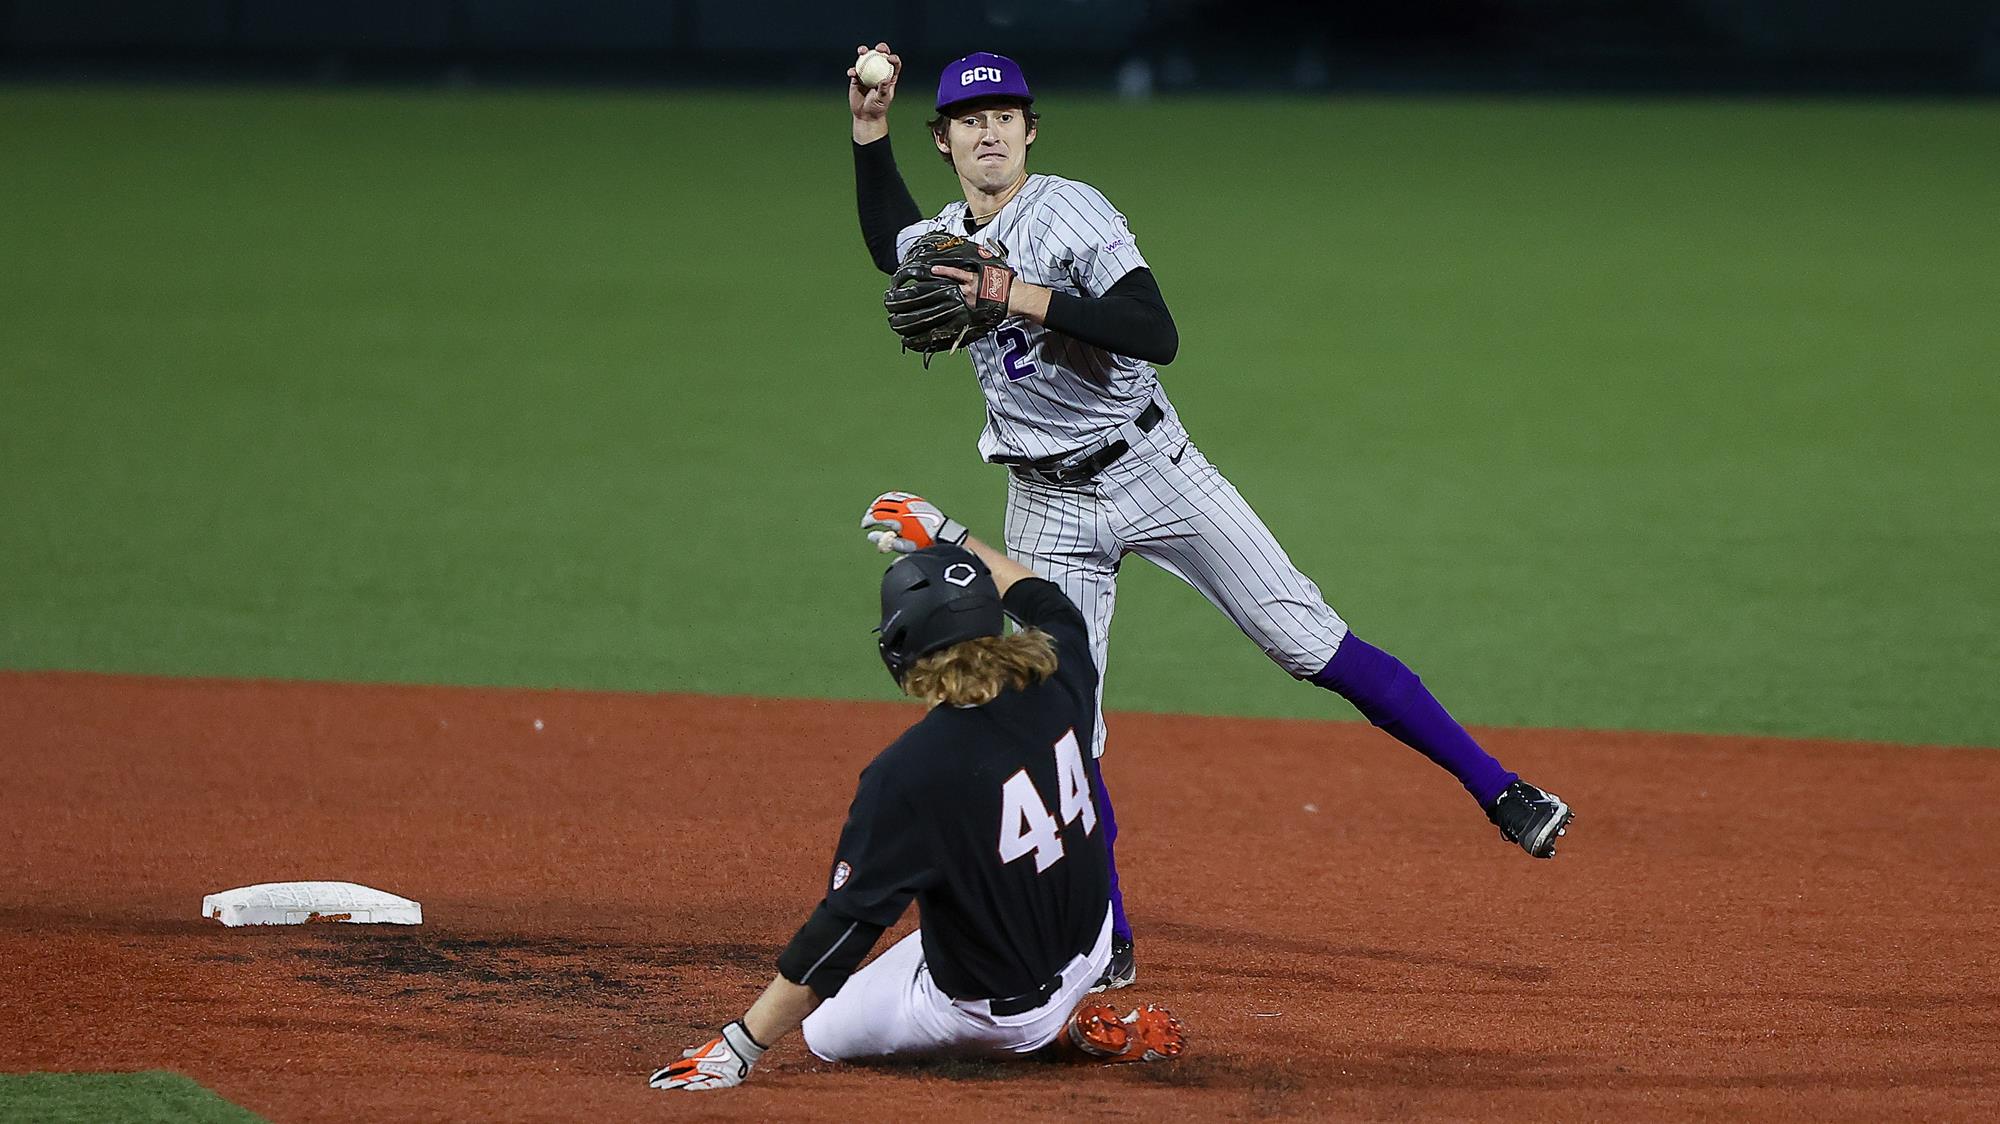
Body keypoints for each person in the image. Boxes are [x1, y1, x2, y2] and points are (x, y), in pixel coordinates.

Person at [848, 44, 1576, 993]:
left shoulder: (1071, 209)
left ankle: (1500, 790)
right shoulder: (947, 234)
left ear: (1030, 131)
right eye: (970, 122)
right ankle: (1107, 943)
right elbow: (890, 249)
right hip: (1046, 503)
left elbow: (1157, 331)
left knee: (1304, 638)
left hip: (1155, 466)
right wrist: (867, 127)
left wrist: (1012, 292)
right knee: (1070, 725)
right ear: (942, 140)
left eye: (1007, 117)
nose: (990, 133)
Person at [648, 532, 1185, 1092]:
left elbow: (844, 929)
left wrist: (740, 1043)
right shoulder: (1062, 666)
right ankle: (1067, 1007)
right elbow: (1045, 598)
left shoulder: (911, 773)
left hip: (1008, 1016)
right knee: (975, 889)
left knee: (824, 1031)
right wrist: (952, 538)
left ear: (900, 647)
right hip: (1092, 943)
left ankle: (1053, 1040)